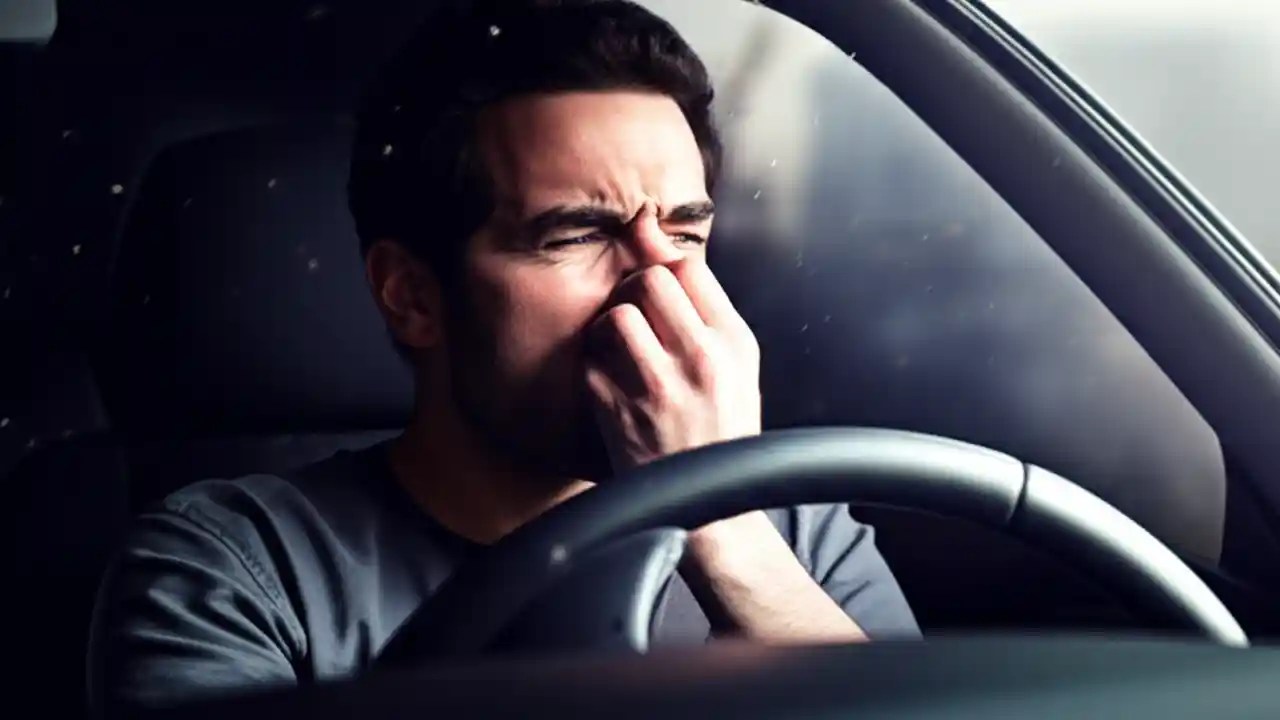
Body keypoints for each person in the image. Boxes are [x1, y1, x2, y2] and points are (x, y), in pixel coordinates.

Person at [88, 0, 919, 713]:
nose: (659, 285)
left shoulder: (796, 537)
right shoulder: (241, 568)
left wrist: (726, 528)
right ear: (411, 295)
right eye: (577, 235)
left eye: (686, 233)